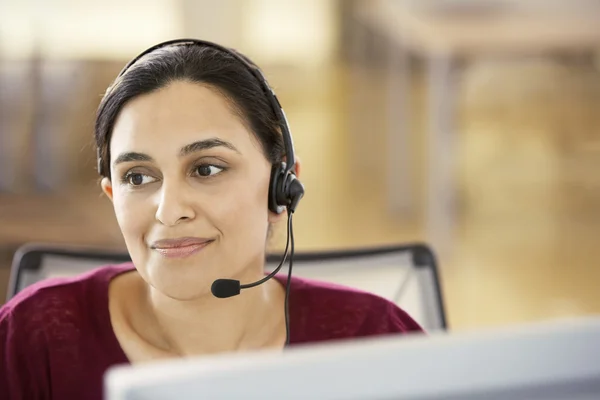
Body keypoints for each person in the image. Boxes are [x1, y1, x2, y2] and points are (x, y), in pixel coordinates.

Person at [0, 39, 424, 400]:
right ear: (112, 195)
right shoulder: (34, 339)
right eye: (138, 177)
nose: (169, 210)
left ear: (283, 184)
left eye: (206, 169)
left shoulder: (373, 340)